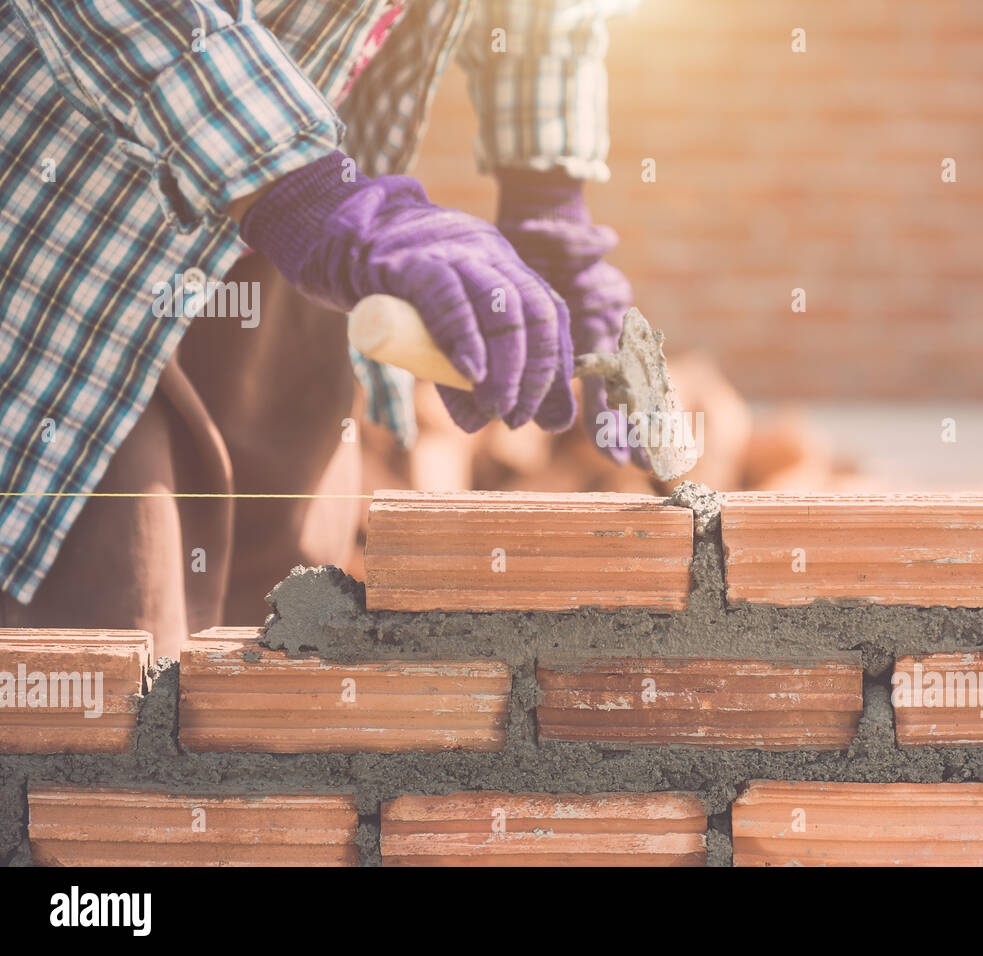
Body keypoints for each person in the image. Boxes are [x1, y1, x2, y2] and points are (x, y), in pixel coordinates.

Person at [0, 0, 641, 658]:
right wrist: (304, 193)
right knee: (107, 656)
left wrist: (547, 203)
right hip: (77, 248)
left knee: (283, 646)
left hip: (292, 258)